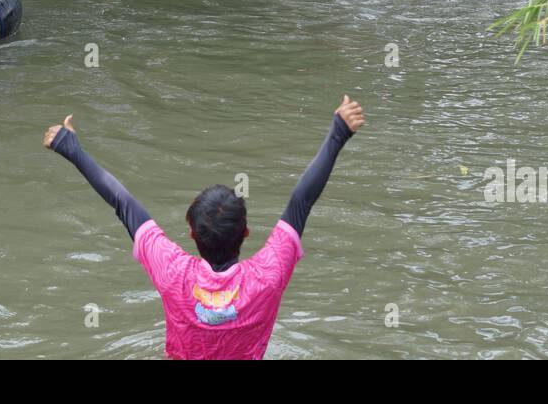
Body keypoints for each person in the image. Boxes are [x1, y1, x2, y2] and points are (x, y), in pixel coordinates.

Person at [43, 95, 366, 360]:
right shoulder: (266, 277)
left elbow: (121, 202)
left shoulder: (173, 272)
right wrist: (338, 133)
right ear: (246, 234)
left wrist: (72, 149)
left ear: (193, 236)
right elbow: (302, 201)